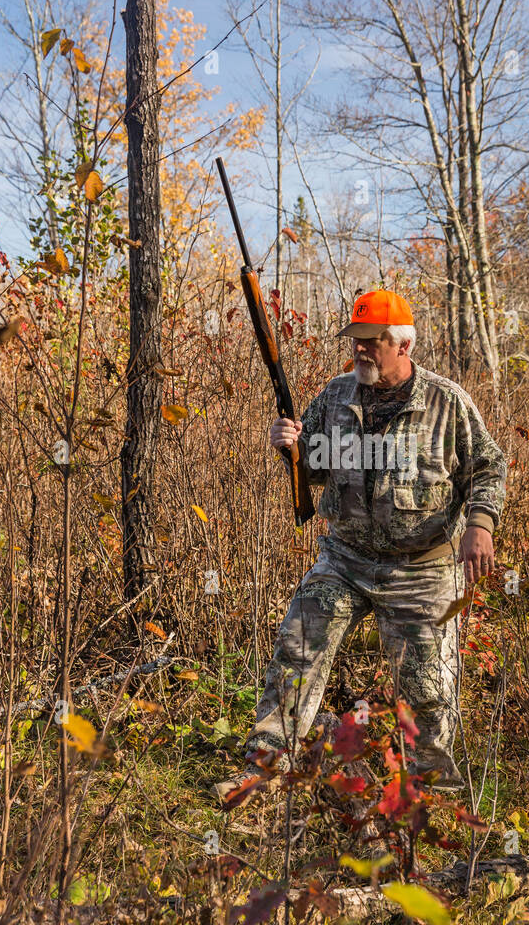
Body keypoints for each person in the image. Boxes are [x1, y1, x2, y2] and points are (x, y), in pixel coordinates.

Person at [214, 288, 506, 798]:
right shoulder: (335, 397)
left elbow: (488, 467)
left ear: (403, 345)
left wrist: (480, 523)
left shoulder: (447, 403)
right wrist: (292, 446)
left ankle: (430, 791)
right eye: (357, 341)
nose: (361, 351)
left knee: (427, 692)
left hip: (422, 568)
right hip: (345, 559)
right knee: (296, 649)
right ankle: (266, 764)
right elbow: (316, 466)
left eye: (372, 342)